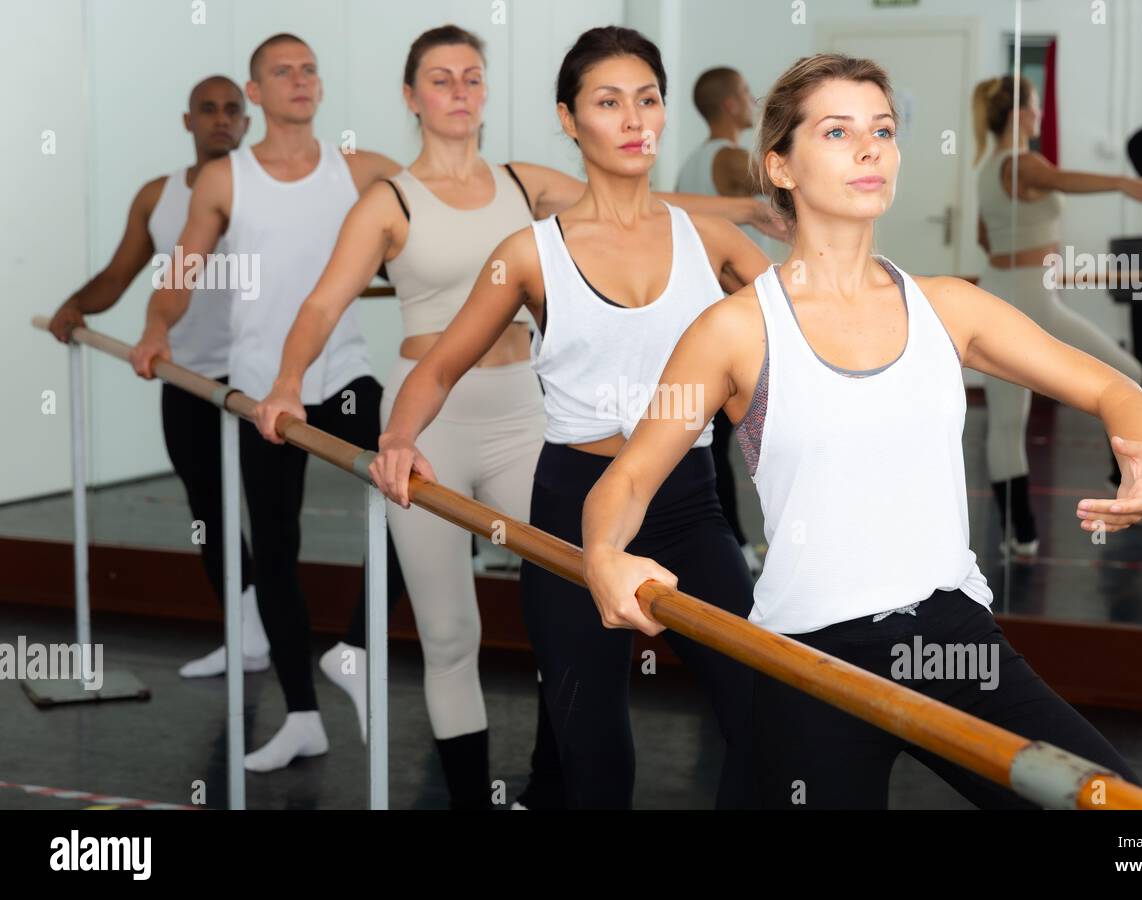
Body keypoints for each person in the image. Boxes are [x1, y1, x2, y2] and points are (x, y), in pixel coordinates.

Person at [582, 53, 1142, 809]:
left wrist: (1138, 455)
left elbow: (1115, 388)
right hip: (809, 654)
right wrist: (603, 555)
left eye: (882, 130)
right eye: (837, 131)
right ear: (780, 166)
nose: (869, 149)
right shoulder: (735, 331)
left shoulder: (952, 308)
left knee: (1123, 816)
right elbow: (628, 479)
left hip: (947, 636)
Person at [249, 24, 784, 810]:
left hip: (664, 490)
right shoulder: (501, 240)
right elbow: (402, 346)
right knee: (557, 726)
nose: (635, 118)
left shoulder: (684, 232)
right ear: (569, 118)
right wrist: (371, 425)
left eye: (648, 99)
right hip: (538, 480)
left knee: (760, 722)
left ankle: (541, 781)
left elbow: (792, 334)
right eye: (609, 102)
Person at [129, 33, 407, 773]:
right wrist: (157, 331)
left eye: (309, 68)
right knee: (277, 551)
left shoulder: (364, 172)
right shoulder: (225, 179)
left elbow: (448, 222)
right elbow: (179, 272)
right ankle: (303, 715)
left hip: (343, 378)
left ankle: (353, 647)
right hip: (263, 393)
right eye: (282, 72)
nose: (300, 80)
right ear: (257, 94)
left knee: (421, 502)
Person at [47, 75, 269, 678]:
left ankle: (281, 642)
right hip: (187, 377)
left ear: (248, 123)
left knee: (272, 515)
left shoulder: (269, 188)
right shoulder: (159, 195)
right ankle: (244, 635)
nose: (221, 120)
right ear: (188, 121)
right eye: (208, 109)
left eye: (232, 111)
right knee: (208, 510)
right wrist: (75, 306)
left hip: (261, 381)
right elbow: (119, 274)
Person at [972, 74, 1142, 557]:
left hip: (1000, 291)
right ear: (1019, 114)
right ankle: (1122, 478)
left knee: (1005, 422)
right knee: (1130, 375)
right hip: (1032, 301)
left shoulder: (986, 167)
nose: (1039, 115)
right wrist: (1125, 184)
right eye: (1035, 107)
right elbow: (1060, 181)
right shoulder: (1023, 162)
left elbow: (984, 236)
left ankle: (1021, 535)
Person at [677, 65, 787, 575]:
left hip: (715, 315)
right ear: (727, 104)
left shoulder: (689, 167)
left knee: (719, 440)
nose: (752, 99)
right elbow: (785, 175)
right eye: (746, 91)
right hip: (736, 317)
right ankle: (737, 543)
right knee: (731, 442)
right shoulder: (728, 160)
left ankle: (736, 541)